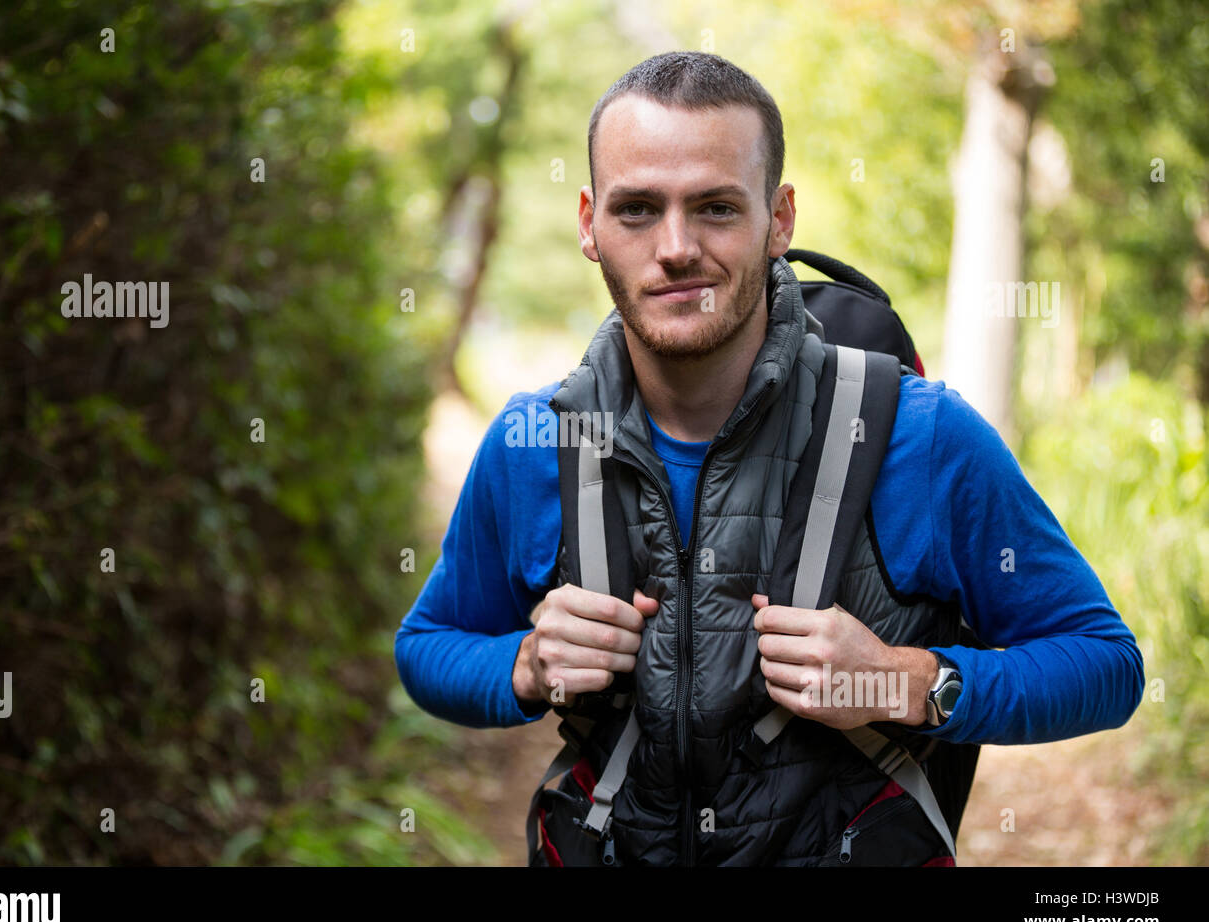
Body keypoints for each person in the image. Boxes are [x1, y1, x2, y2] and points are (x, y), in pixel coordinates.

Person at [394, 51, 1144, 866]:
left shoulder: (918, 434)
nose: (676, 248)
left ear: (779, 218)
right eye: (638, 209)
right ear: (588, 223)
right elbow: (427, 646)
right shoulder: (533, 441)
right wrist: (526, 664)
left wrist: (907, 680)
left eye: (715, 207)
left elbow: (1105, 665)